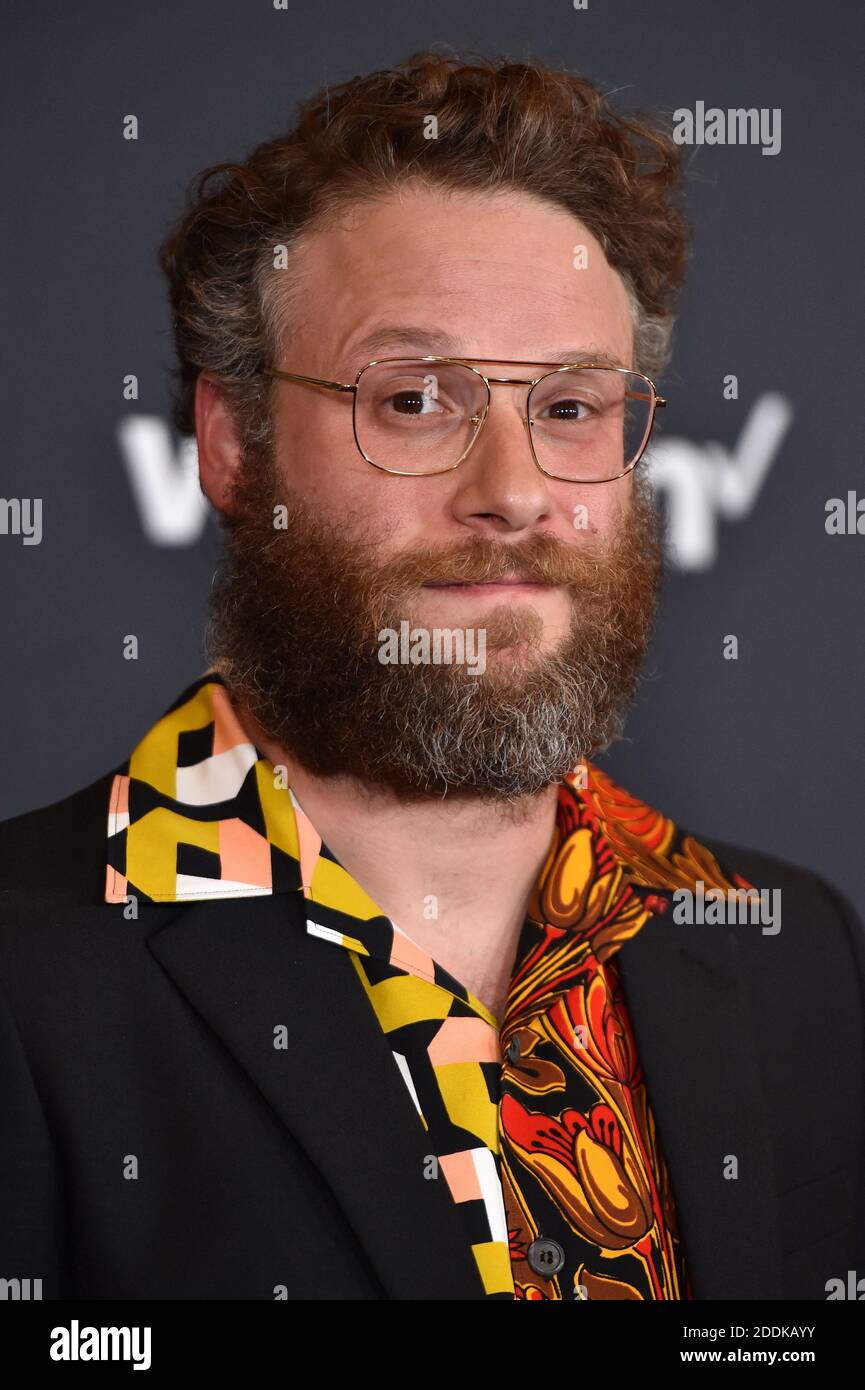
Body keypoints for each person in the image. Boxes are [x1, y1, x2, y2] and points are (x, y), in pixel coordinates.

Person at [1, 50, 862, 1302]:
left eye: (571, 407)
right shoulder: (30, 982)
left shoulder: (790, 949)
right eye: (412, 399)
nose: (512, 491)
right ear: (232, 444)